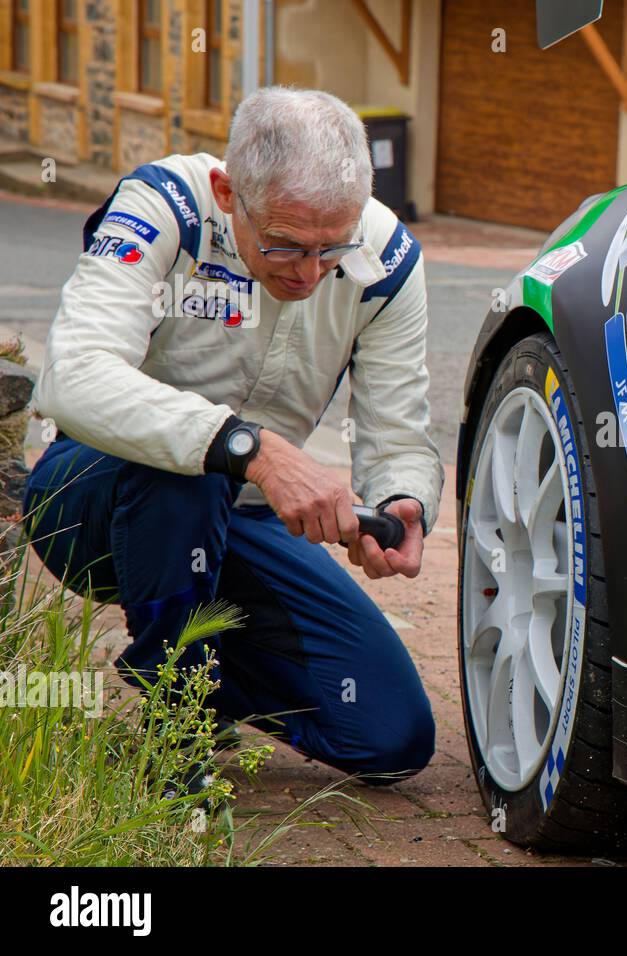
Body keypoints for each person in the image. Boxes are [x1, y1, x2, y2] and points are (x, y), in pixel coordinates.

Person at [23, 87, 440, 783]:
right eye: (285, 244)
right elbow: (73, 375)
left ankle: (203, 675)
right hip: (93, 499)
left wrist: (403, 500)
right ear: (227, 192)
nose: (309, 273)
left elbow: (397, 435)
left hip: (242, 525)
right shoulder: (167, 205)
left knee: (390, 734)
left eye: (332, 249)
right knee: (189, 468)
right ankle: (177, 724)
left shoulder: (389, 256)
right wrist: (249, 448)